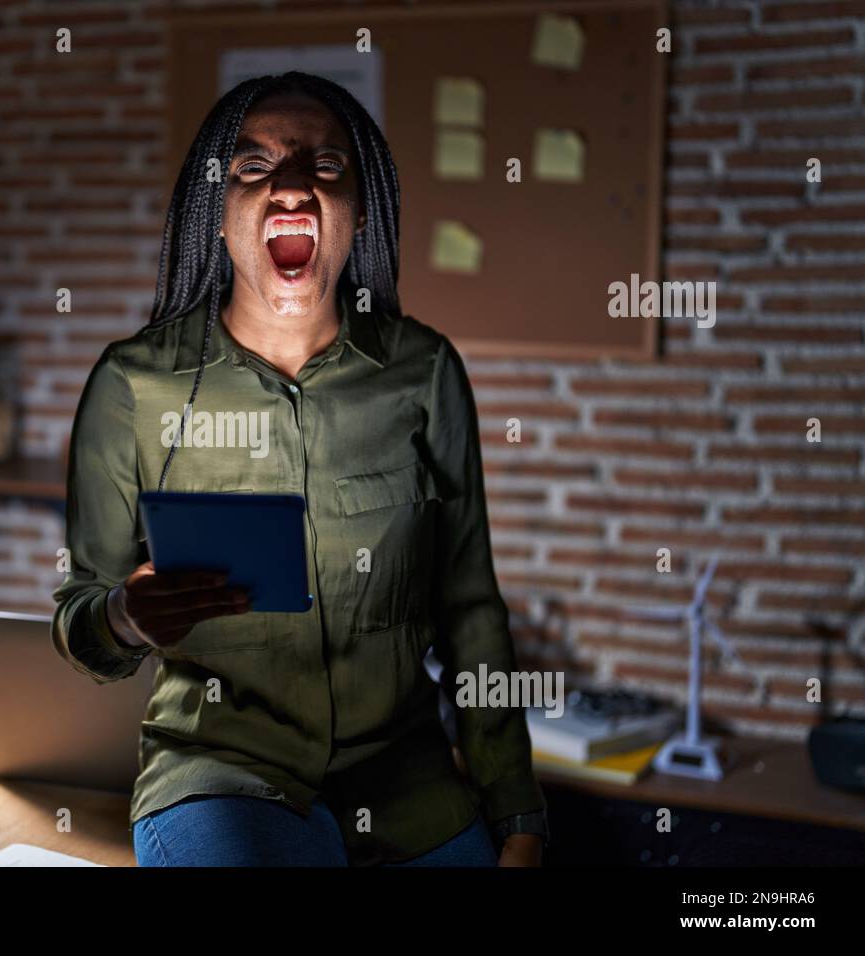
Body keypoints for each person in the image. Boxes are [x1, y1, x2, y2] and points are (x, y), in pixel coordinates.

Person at [52, 71, 546, 867]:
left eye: (324, 167)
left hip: (407, 784)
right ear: (215, 216)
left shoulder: (423, 373)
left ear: (359, 213)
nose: (290, 186)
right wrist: (125, 616)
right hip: (220, 773)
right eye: (253, 168)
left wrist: (519, 816)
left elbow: (471, 609)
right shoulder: (130, 387)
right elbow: (79, 617)